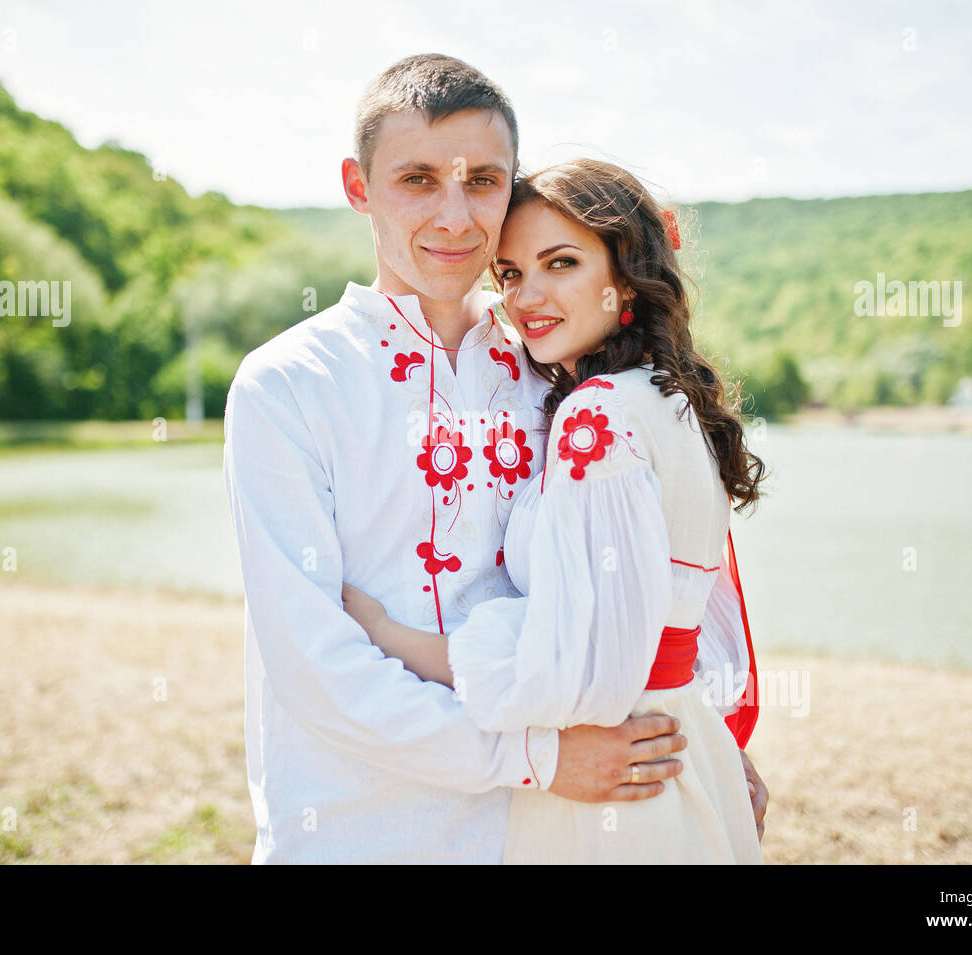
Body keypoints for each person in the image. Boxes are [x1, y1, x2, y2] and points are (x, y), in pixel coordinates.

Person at [222, 53, 767, 864]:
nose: (455, 216)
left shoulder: (551, 370)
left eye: (482, 180)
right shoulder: (289, 384)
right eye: (416, 179)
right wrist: (537, 757)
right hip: (353, 831)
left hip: (539, 834)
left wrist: (706, 730)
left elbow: (655, 570)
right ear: (357, 185)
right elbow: (311, 661)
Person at [341, 157, 768, 863]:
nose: (526, 296)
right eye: (509, 274)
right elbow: (698, 617)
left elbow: (568, 676)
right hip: (683, 749)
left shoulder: (595, 417)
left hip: (611, 776)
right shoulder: (672, 402)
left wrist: (390, 635)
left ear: (625, 276)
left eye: (560, 263)